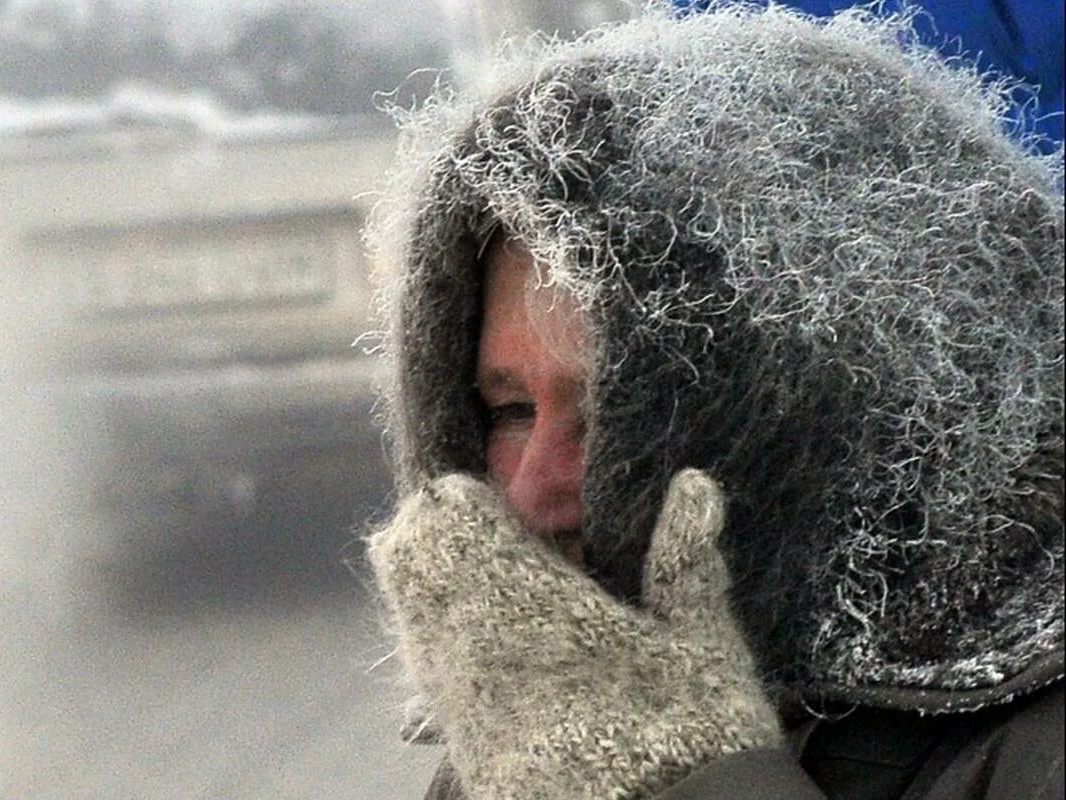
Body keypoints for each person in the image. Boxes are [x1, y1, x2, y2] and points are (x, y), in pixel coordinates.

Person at [363, 4, 1064, 798]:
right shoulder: (560, 714)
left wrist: (687, 780)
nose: (531, 493)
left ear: (831, 407)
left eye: (616, 416)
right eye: (510, 412)